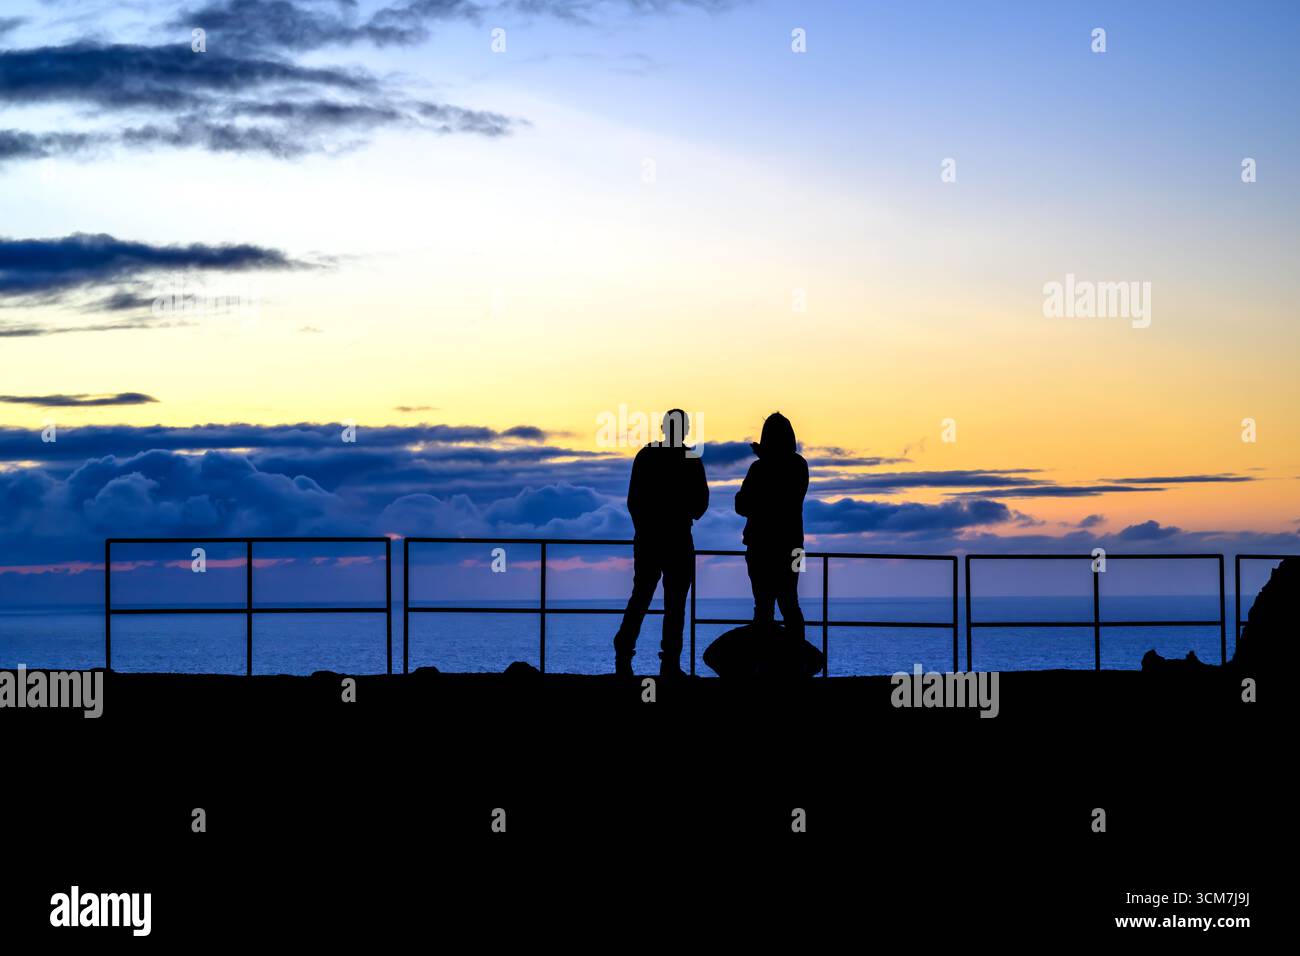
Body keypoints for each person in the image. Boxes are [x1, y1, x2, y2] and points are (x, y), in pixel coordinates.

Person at [613, 409, 709, 677]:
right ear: (685, 430)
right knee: (675, 604)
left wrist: (645, 528)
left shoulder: (647, 455)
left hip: (650, 539)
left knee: (641, 597)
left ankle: (625, 654)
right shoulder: (690, 457)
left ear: (663, 428)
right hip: (678, 538)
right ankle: (669, 663)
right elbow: (701, 503)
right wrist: (682, 513)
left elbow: (634, 500)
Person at [734, 412, 808, 639]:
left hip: (760, 546)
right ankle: (796, 661)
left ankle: (763, 665)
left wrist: (765, 460)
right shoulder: (799, 465)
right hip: (794, 546)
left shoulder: (759, 469)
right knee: (790, 602)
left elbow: (741, 505)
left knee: (763, 605)